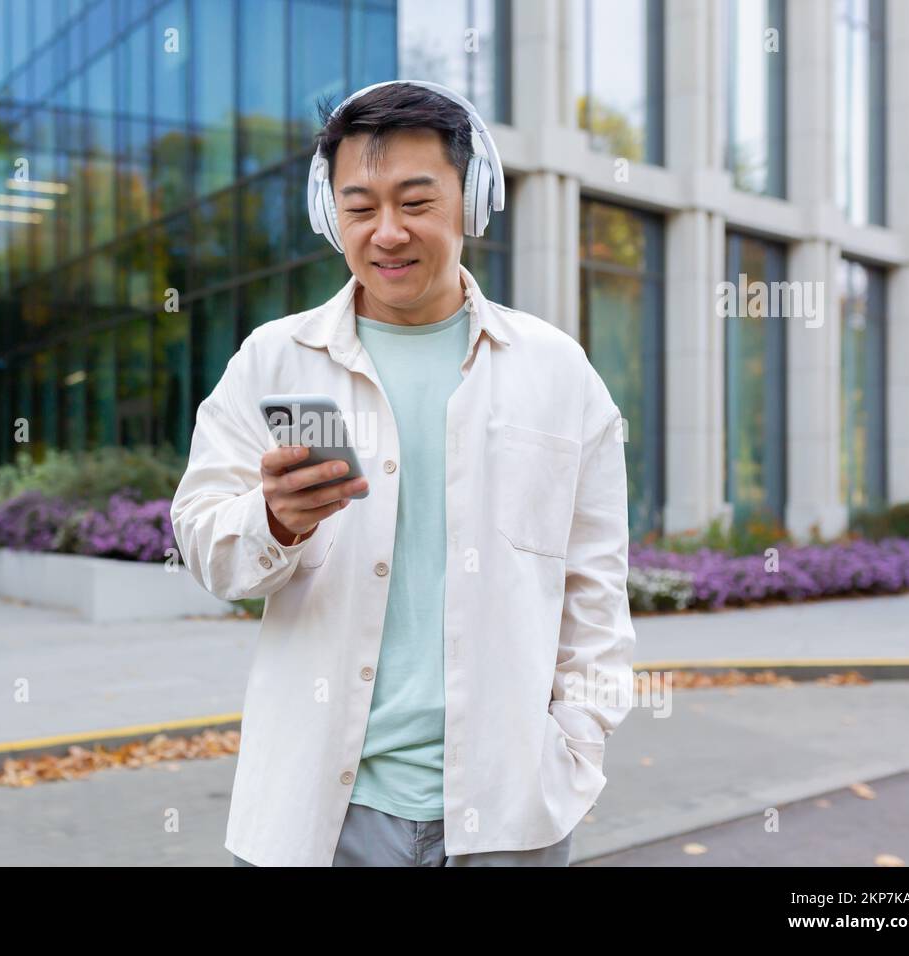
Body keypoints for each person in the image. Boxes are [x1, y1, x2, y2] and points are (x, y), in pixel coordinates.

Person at [170, 81, 636, 867]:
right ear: (331, 216)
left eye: (416, 202)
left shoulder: (559, 372)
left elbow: (596, 588)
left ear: (472, 202)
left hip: (510, 814)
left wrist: (575, 746)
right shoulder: (273, 360)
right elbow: (204, 547)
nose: (387, 233)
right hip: (318, 814)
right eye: (360, 207)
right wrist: (274, 520)